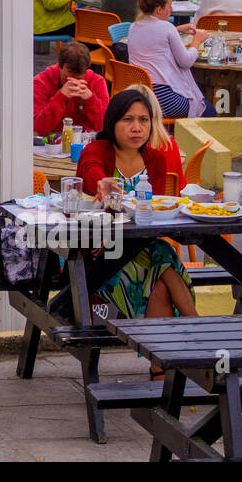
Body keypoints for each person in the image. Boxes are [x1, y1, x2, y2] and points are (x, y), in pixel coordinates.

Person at [75, 87, 199, 360]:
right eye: (128, 120)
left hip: (141, 250)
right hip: (103, 255)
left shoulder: (154, 159)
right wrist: (102, 182)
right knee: (163, 257)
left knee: (161, 285)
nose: (137, 127)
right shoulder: (97, 150)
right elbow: (90, 168)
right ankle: (199, 335)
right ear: (113, 122)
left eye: (144, 120)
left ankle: (161, 374)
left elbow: (153, 211)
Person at [128, 0, 213, 119]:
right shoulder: (166, 27)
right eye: (169, 6)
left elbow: (154, 35)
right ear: (159, 9)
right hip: (162, 99)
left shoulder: (134, 26)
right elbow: (186, 62)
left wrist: (176, 29)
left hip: (139, 92)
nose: (172, 9)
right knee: (208, 110)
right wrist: (197, 41)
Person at [32, 40, 109, 135]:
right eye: (68, 76)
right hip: (50, 140)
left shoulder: (97, 82)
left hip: (84, 140)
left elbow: (102, 127)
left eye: (79, 77)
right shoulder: (41, 82)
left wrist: (90, 99)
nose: (73, 82)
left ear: (87, 69)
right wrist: (60, 97)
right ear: (60, 66)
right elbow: (37, 129)